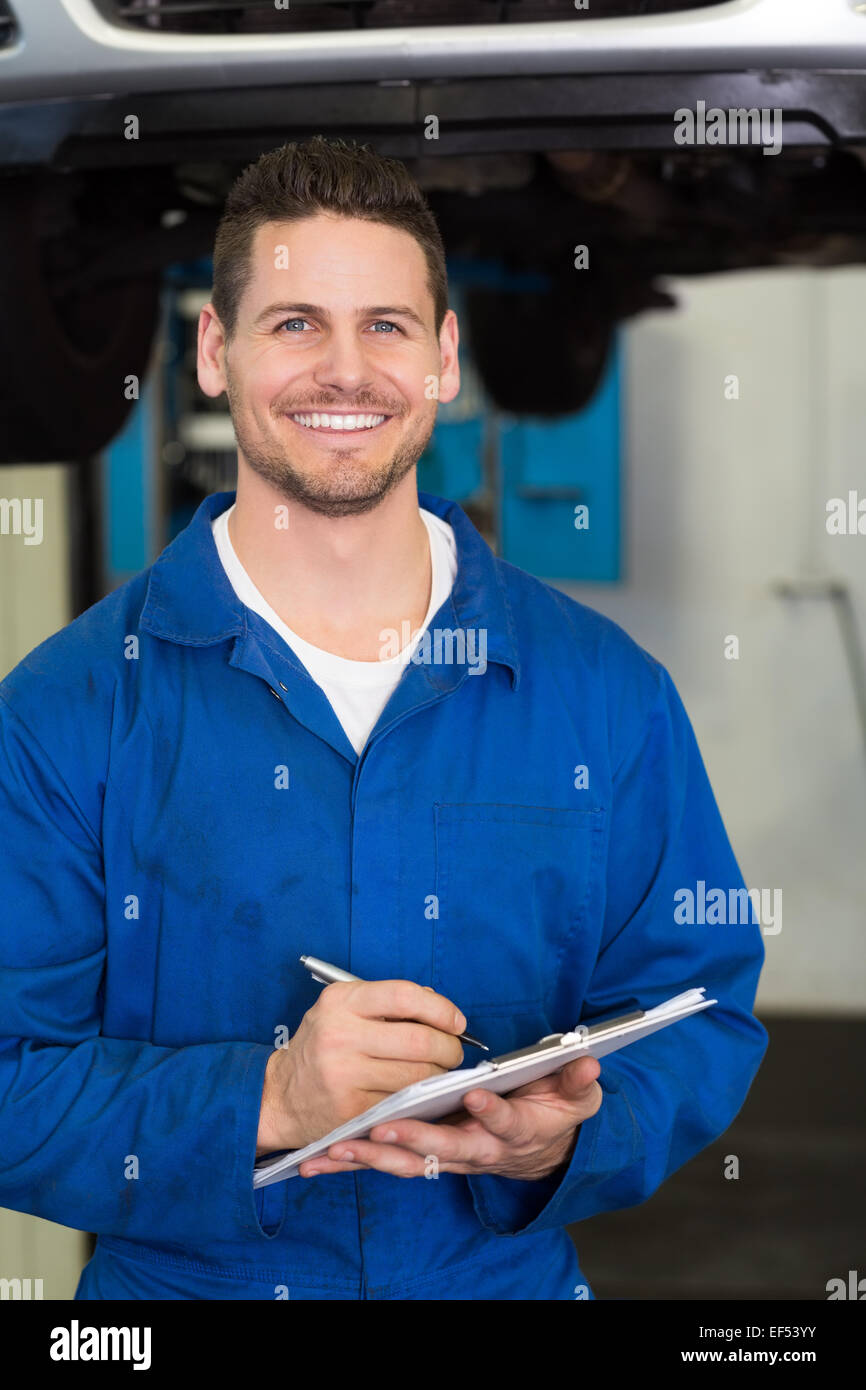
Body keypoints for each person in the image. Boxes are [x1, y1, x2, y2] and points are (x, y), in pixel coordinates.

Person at [0, 136, 767, 1301]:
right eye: (295, 322)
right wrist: (269, 1098)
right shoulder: (68, 709)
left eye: (386, 326)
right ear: (214, 350)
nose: (343, 371)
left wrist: (561, 1138)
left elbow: (700, 1009)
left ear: (445, 358)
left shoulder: (604, 693)